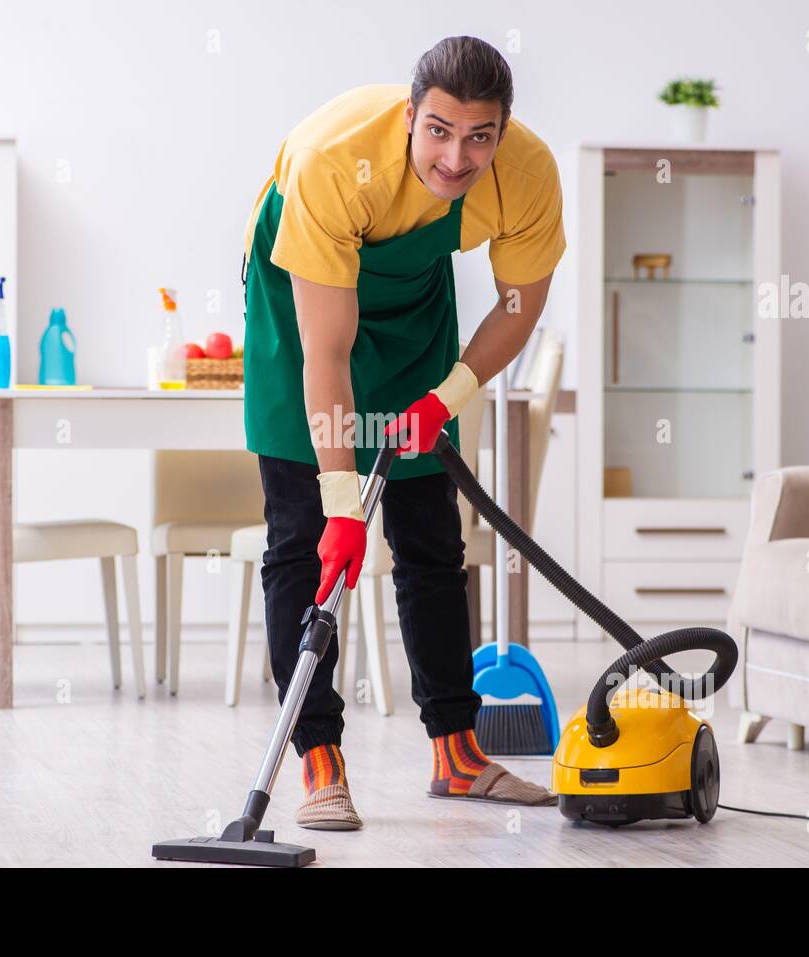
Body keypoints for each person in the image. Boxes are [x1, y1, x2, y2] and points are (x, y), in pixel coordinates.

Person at [240, 35, 566, 829]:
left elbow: (520, 305)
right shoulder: (331, 159)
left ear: (504, 130)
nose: (457, 158)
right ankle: (319, 758)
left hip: (416, 309)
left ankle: (457, 751)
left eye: (480, 136)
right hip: (304, 310)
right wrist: (343, 503)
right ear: (409, 114)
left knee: (431, 541)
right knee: (301, 542)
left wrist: (446, 394)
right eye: (440, 131)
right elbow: (329, 348)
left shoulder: (527, 173)